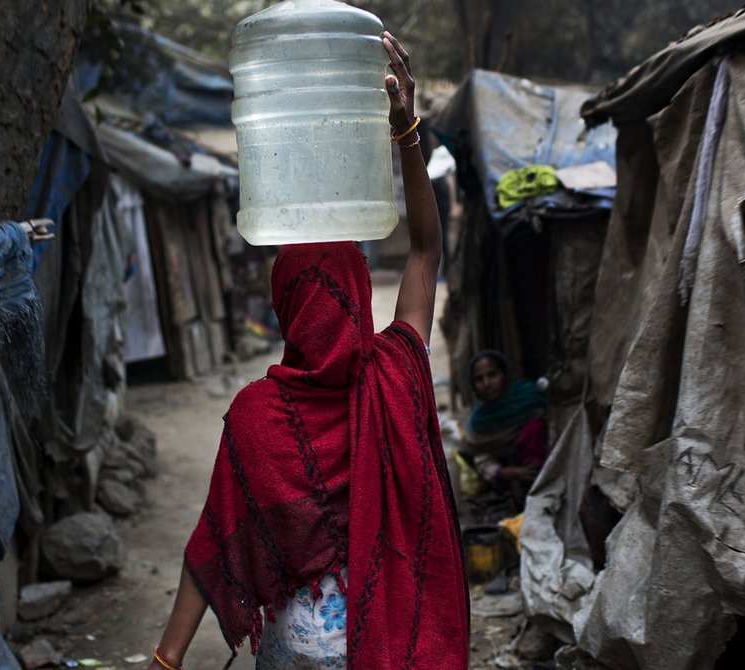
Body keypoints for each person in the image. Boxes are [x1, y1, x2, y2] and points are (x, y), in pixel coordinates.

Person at [146, 32, 468, 670]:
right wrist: (406, 132)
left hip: (296, 650)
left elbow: (216, 537)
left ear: (286, 310)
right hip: (388, 641)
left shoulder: (254, 415)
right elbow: (426, 250)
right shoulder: (396, 373)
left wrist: (167, 658)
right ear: (358, 297)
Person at [463, 351, 549, 502]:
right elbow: (482, 458)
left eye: (492, 375)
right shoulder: (479, 421)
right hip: (512, 487)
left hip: (549, 472)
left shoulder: (530, 397)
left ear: (505, 375)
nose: (487, 383)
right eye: (479, 379)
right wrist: (510, 473)